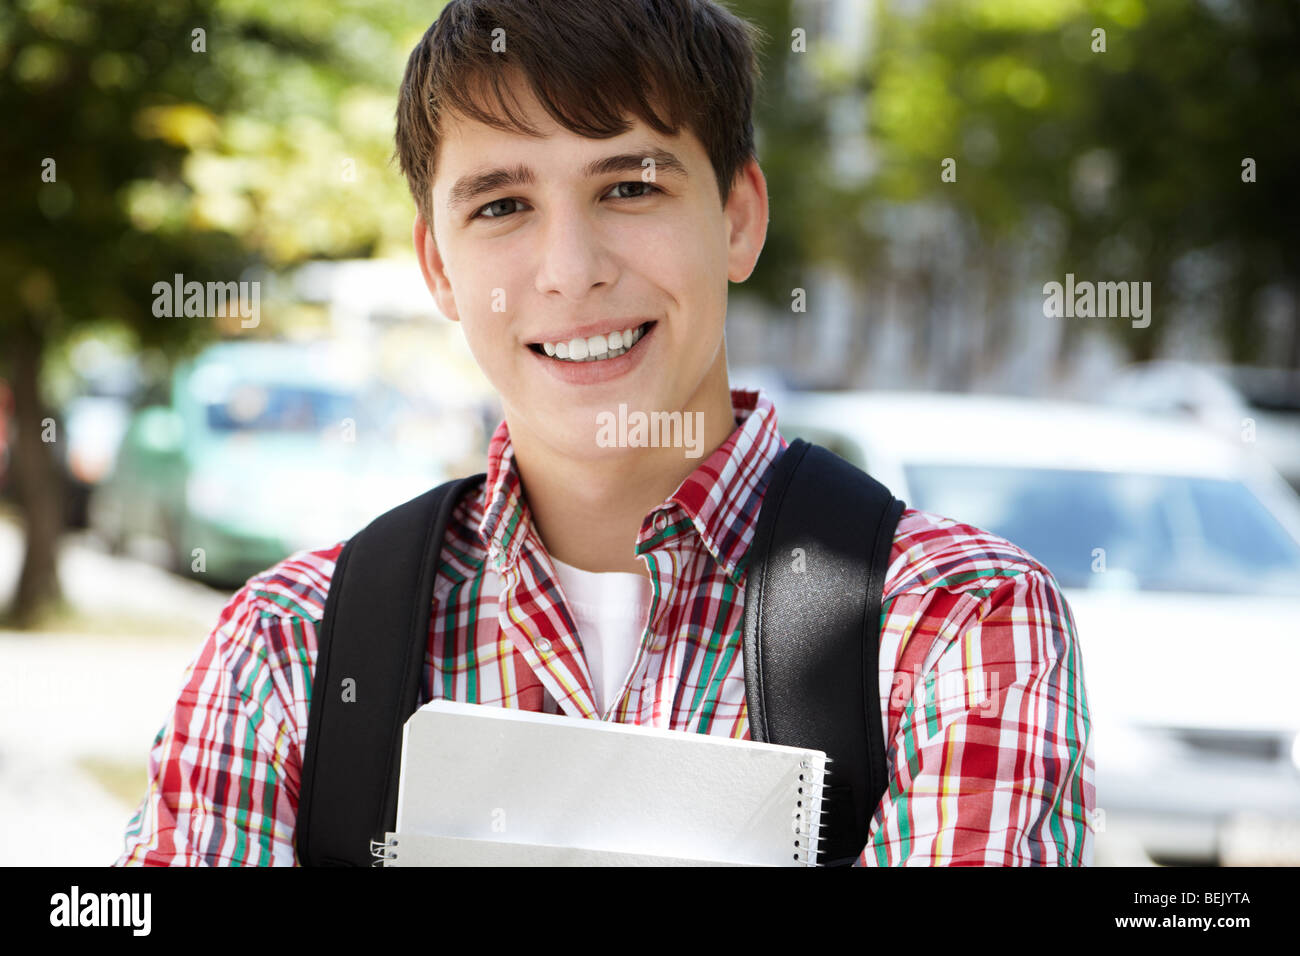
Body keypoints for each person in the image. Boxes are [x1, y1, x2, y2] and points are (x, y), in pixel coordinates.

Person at [113, 0, 1094, 867]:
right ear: (439, 267)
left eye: (628, 186)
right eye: (502, 205)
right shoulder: (291, 646)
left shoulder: (954, 624)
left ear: (739, 218)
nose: (569, 269)